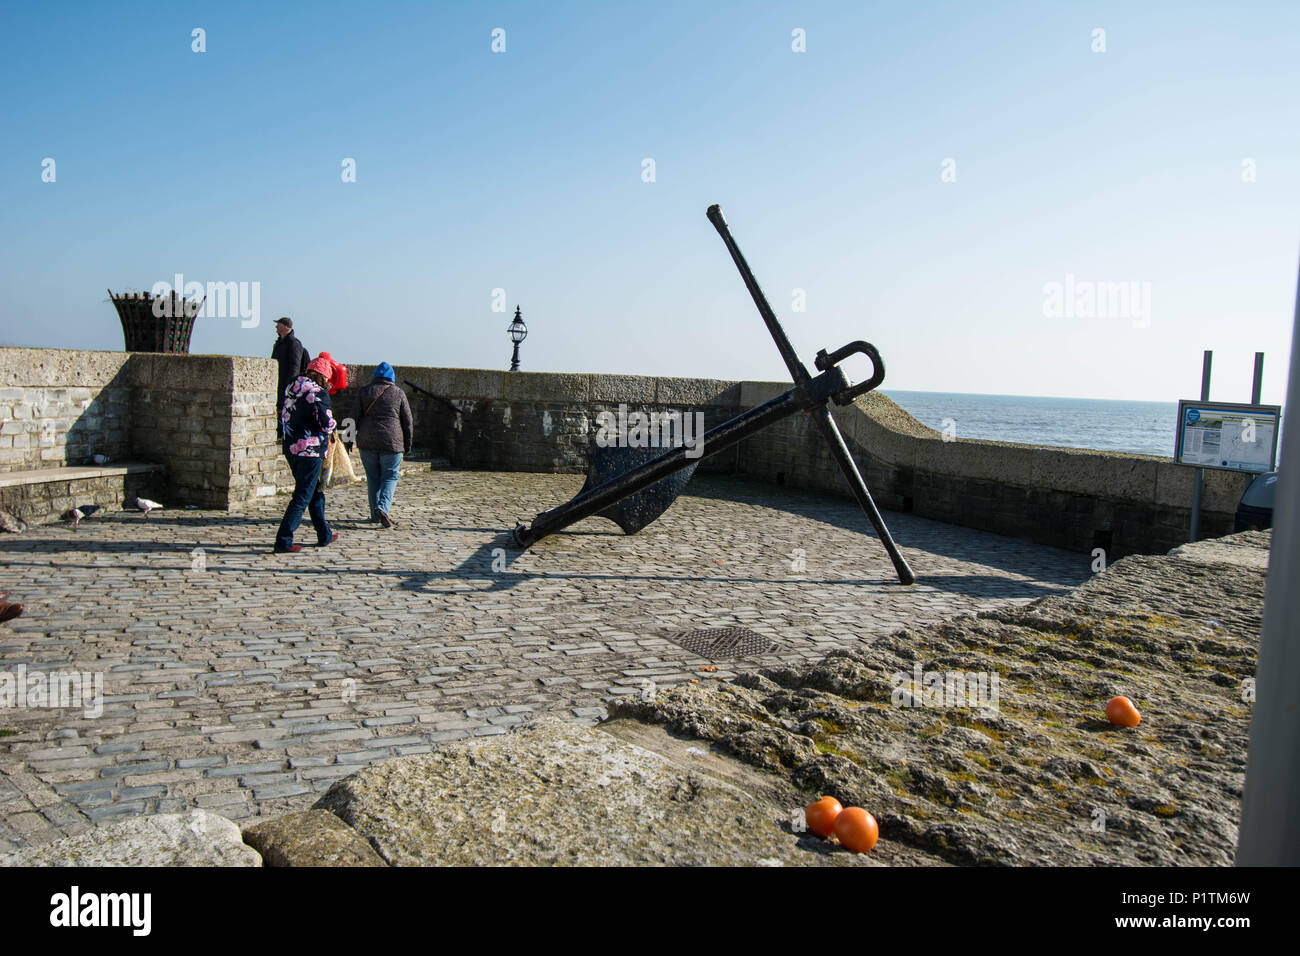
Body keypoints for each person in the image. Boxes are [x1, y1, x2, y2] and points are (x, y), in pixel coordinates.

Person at [273, 356, 338, 553]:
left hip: (291, 447)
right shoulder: (318, 393)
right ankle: (283, 540)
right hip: (310, 450)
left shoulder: (292, 388)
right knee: (302, 495)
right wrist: (334, 425)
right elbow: (326, 423)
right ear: (323, 376)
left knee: (314, 491)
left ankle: (323, 533)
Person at [354, 362, 413, 528]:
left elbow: (352, 417)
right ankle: (383, 508)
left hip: (367, 442)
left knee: (373, 478)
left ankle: (375, 515)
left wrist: (349, 440)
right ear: (392, 378)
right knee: (390, 476)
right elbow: (408, 422)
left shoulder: (364, 392)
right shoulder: (398, 393)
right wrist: (407, 444)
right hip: (392, 443)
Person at [271, 317, 307, 435]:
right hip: (277, 382)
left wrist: (290, 385)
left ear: (286, 327)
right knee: (279, 410)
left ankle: (284, 436)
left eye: (279, 324)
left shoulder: (294, 343)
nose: (276, 327)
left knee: (285, 410)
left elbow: (295, 366)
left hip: (286, 384)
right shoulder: (279, 343)